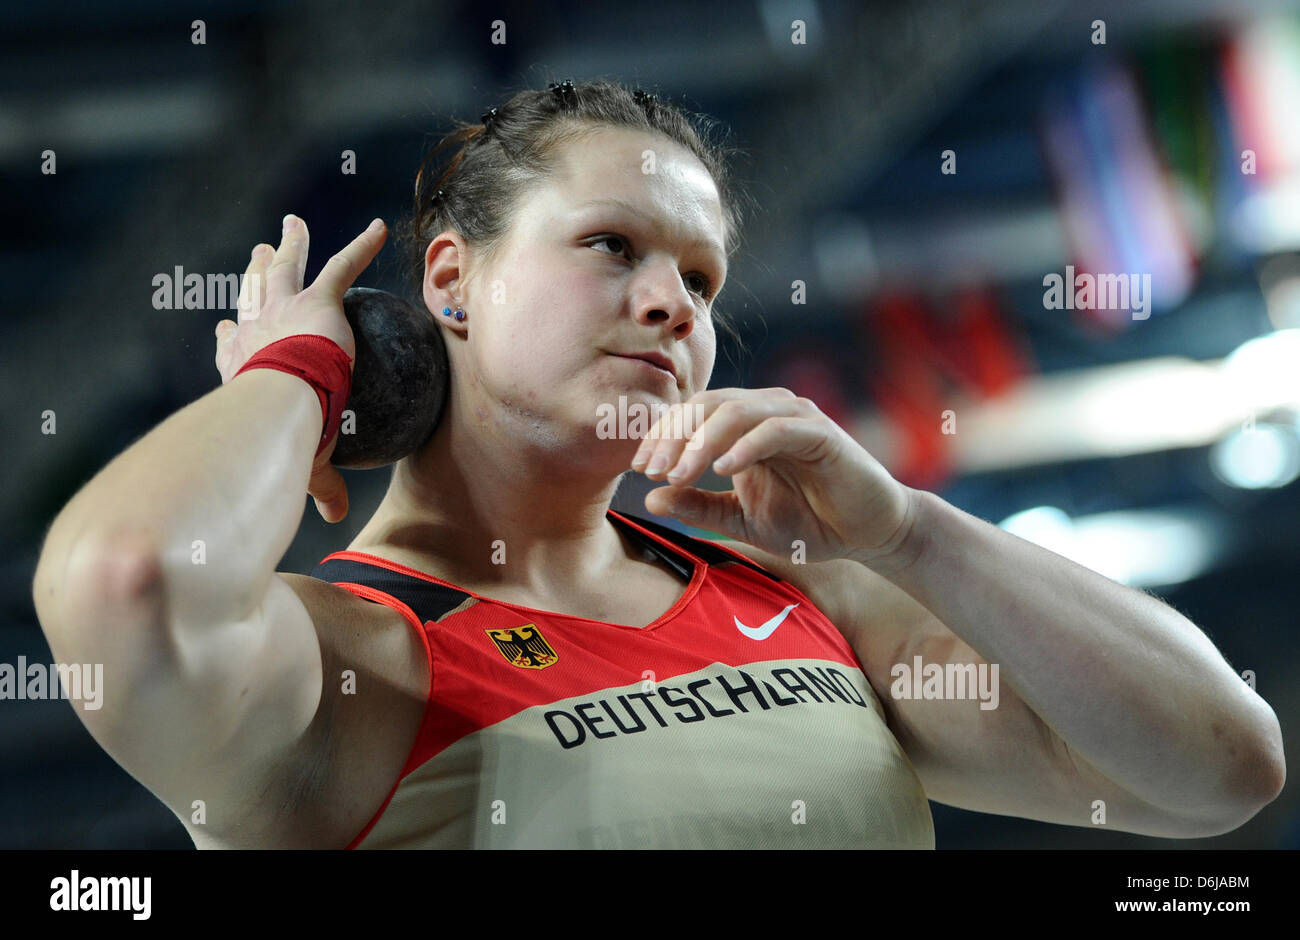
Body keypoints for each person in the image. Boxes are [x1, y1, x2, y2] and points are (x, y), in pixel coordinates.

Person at [33, 79, 1284, 850]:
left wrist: (909, 532)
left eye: (700, 279)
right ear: (453, 283)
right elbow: (125, 581)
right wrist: (295, 373)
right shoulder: (348, 657)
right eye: (611, 246)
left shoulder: (815, 603)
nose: (674, 304)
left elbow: (1221, 767)